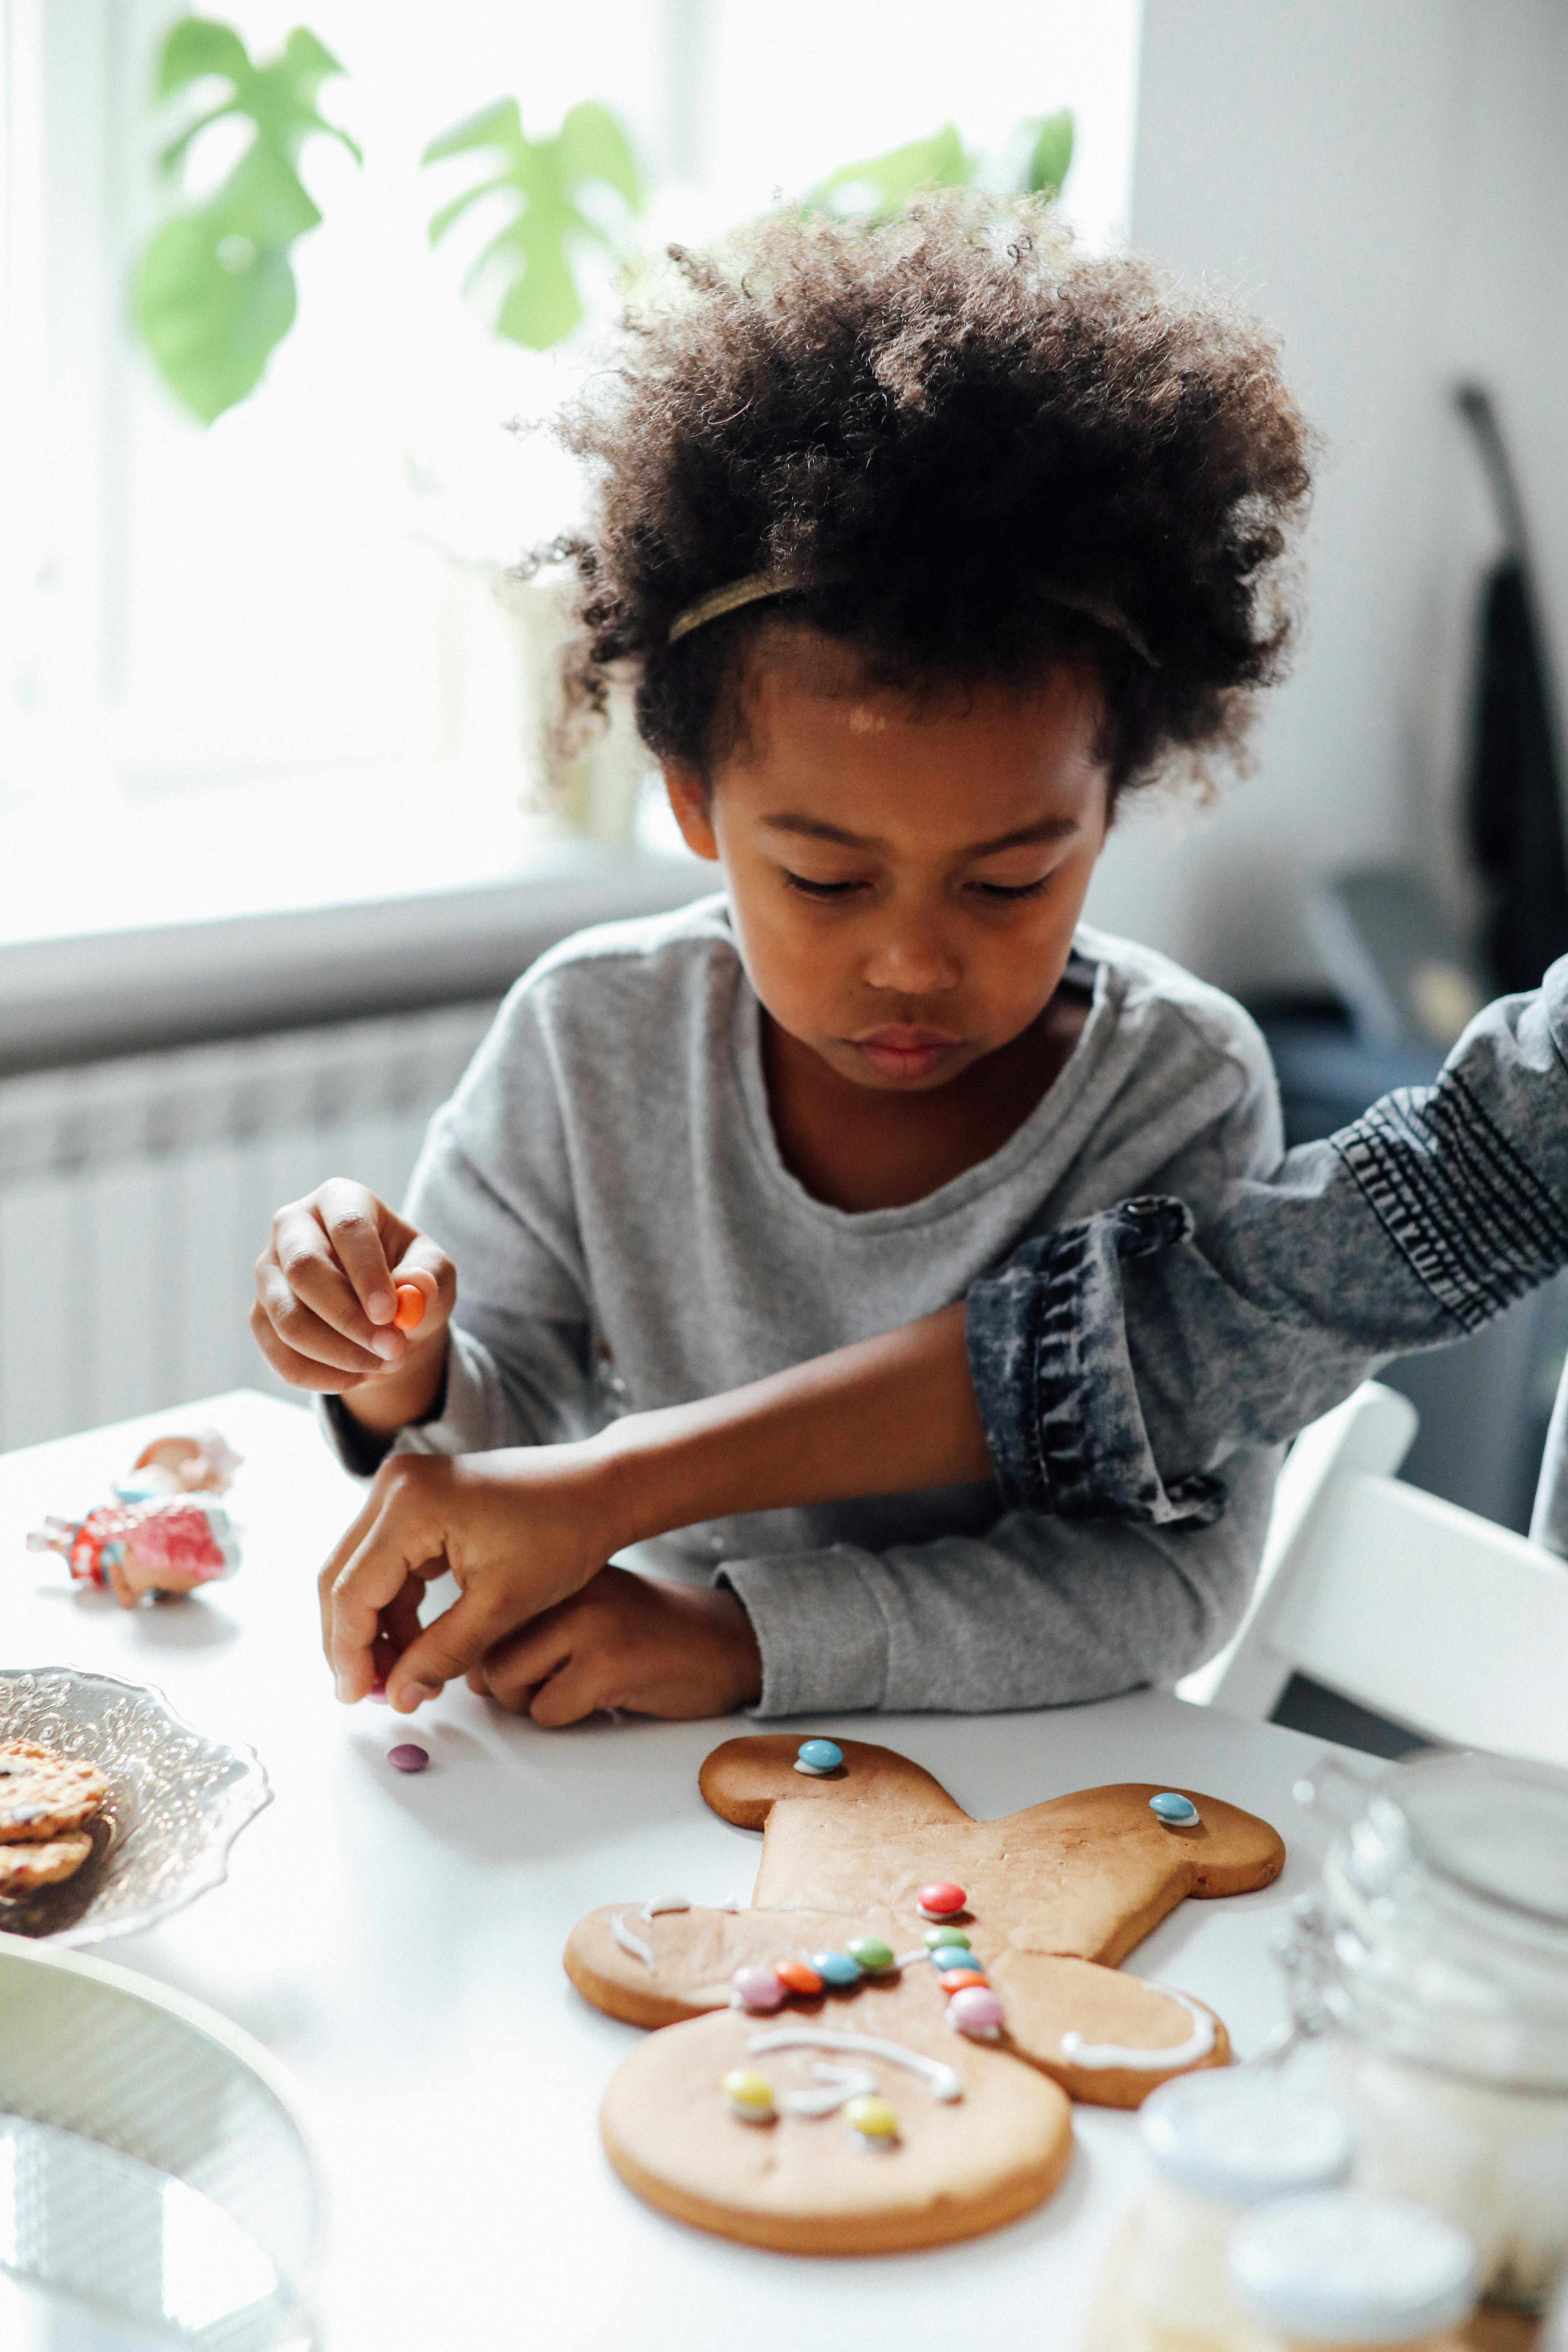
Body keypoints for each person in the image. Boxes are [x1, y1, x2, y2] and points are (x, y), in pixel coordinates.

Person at [253, 195, 1314, 1723]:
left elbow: (1165, 1582)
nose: (911, 963)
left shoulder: (1173, 1094)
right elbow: (505, 1433)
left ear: (1111, 807)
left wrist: (744, 1641)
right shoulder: (592, 1035)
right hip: (628, 1777)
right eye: (823, 877)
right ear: (693, 803)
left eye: (1012, 879)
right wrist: (394, 1370)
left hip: (1002, 1800)